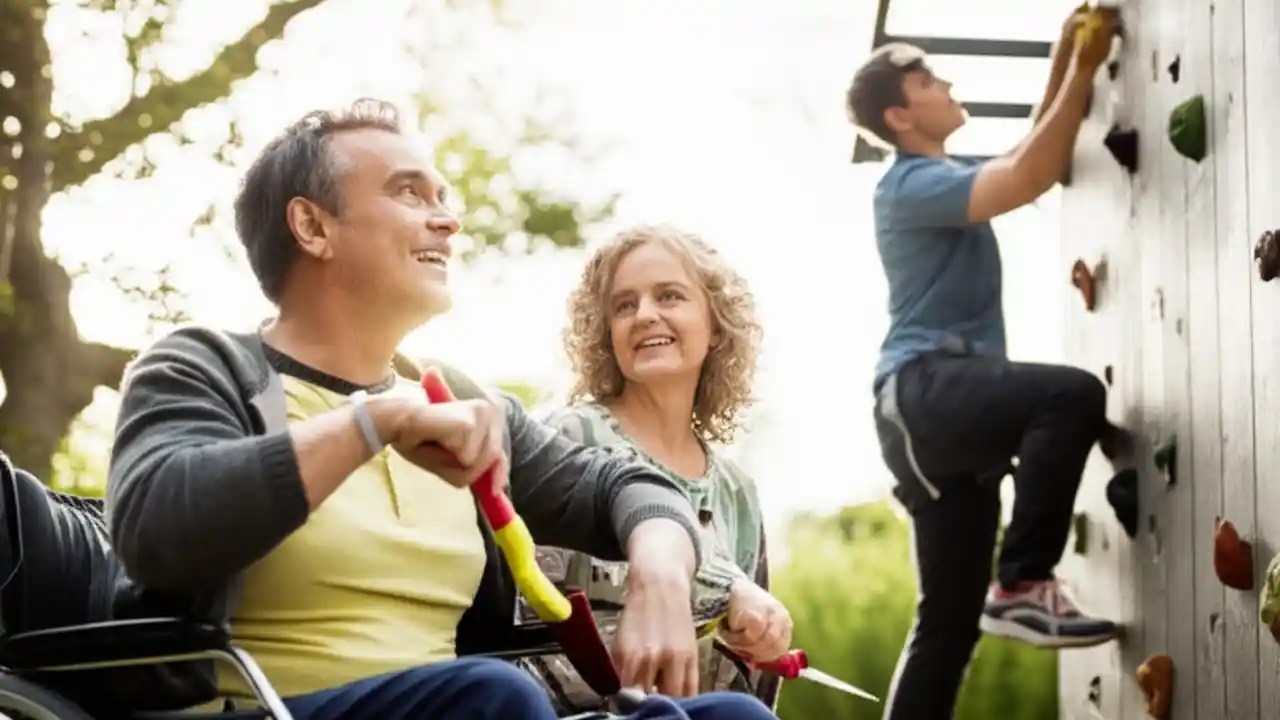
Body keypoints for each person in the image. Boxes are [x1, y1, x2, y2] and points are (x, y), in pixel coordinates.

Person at [106, 99, 777, 720]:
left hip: (460, 704)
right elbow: (157, 528)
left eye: (444, 199)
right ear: (313, 225)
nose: (448, 220)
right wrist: (374, 423)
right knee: (491, 695)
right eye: (408, 193)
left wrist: (660, 566)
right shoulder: (203, 368)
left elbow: (619, 484)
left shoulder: (456, 397)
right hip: (269, 707)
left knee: (736, 715)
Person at [846, 8, 1125, 719]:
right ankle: (1027, 579)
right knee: (1069, 397)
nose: (946, 84)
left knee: (947, 625)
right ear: (900, 114)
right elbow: (1030, 174)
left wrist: (1067, 51)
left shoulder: (944, 174)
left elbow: (1038, 150)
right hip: (924, 393)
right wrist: (1086, 67)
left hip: (933, 430)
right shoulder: (905, 185)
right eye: (929, 80)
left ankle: (1014, 591)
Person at [517, 225, 790, 713]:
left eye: (669, 296)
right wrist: (728, 592)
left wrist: (762, 638)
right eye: (624, 305)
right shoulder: (572, 438)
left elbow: (746, 671)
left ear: (716, 326)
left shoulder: (736, 490)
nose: (644, 315)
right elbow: (534, 609)